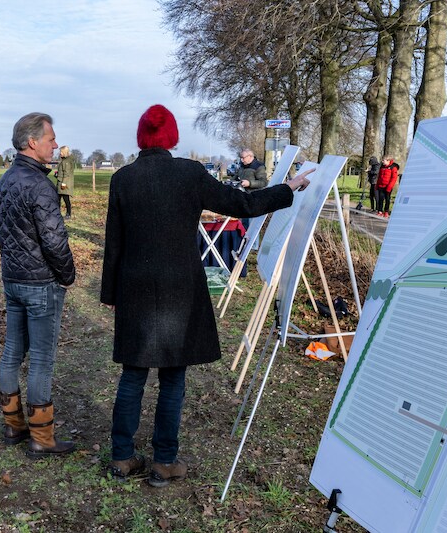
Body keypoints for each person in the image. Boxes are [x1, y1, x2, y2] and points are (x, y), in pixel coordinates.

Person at [100, 104, 312, 486]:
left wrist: (110, 291)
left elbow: (113, 243)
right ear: (171, 137)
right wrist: (289, 188)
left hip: (134, 287)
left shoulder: (122, 179)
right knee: (172, 377)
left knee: (133, 375)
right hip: (179, 289)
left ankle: (122, 457)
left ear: (141, 137)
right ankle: (164, 462)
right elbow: (243, 204)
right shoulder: (189, 173)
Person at [0, 112, 77, 459]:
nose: (55, 144)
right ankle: (41, 437)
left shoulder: (7, 179)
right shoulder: (39, 185)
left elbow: (4, 233)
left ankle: (13, 425)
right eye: (51, 138)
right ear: (32, 142)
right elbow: (54, 241)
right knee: (41, 358)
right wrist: (68, 275)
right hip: (40, 283)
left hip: (13, 279)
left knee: (13, 352)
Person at [54, 145, 76, 219]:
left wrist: (63, 184)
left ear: (64, 152)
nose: (60, 153)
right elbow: (63, 172)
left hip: (64, 184)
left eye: (61, 152)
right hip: (61, 182)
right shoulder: (64, 160)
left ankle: (68, 214)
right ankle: (58, 213)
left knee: (66, 199)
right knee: (58, 199)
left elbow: (66, 174)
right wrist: (57, 174)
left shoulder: (67, 161)